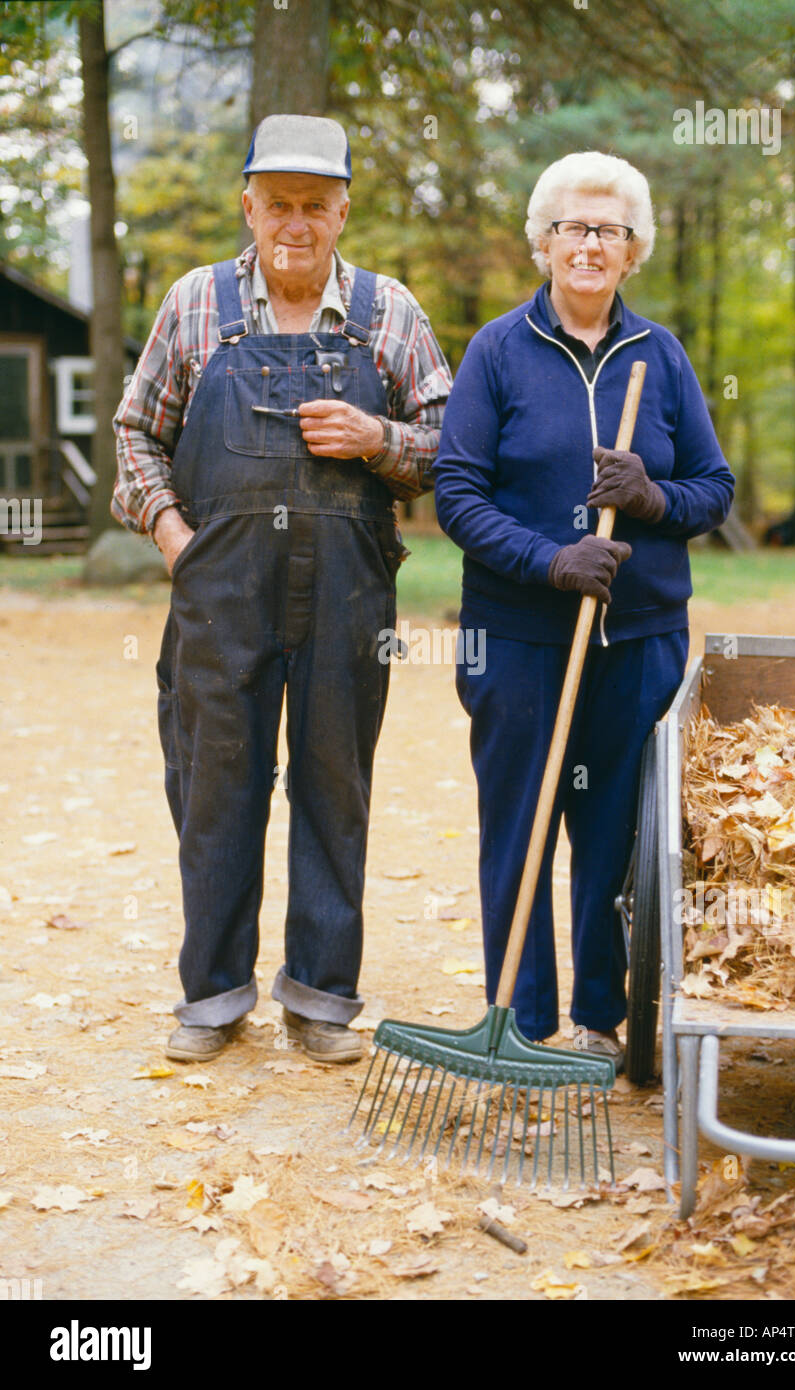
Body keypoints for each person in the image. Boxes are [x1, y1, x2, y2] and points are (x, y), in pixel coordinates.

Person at [113, 115, 451, 1064]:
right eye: (277, 205)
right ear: (248, 206)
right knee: (216, 781)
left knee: (332, 783)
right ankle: (213, 996)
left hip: (348, 589)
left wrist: (378, 440)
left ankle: (319, 999)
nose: (294, 224)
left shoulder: (390, 314)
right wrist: (177, 537)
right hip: (220, 587)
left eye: (316, 206)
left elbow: (453, 447)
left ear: (343, 212)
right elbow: (136, 431)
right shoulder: (195, 305)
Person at [434, 151, 734, 1071]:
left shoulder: (663, 357)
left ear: (633, 248)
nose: (590, 244)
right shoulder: (497, 350)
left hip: (635, 642)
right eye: (572, 226)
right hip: (519, 639)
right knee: (518, 830)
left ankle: (601, 1022)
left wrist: (650, 500)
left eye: (609, 229)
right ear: (544, 241)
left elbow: (712, 490)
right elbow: (455, 491)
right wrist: (551, 560)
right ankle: (521, 1028)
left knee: (612, 838)